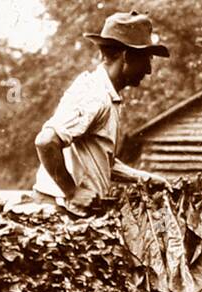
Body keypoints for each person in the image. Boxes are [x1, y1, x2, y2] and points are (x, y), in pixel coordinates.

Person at [34, 11, 171, 215]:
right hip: (59, 211)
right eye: (146, 59)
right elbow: (46, 142)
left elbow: (102, 161)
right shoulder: (94, 95)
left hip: (73, 212)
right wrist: (72, 192)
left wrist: (142, 178)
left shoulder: (106, 95)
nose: (149, 70)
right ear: (126, 56)